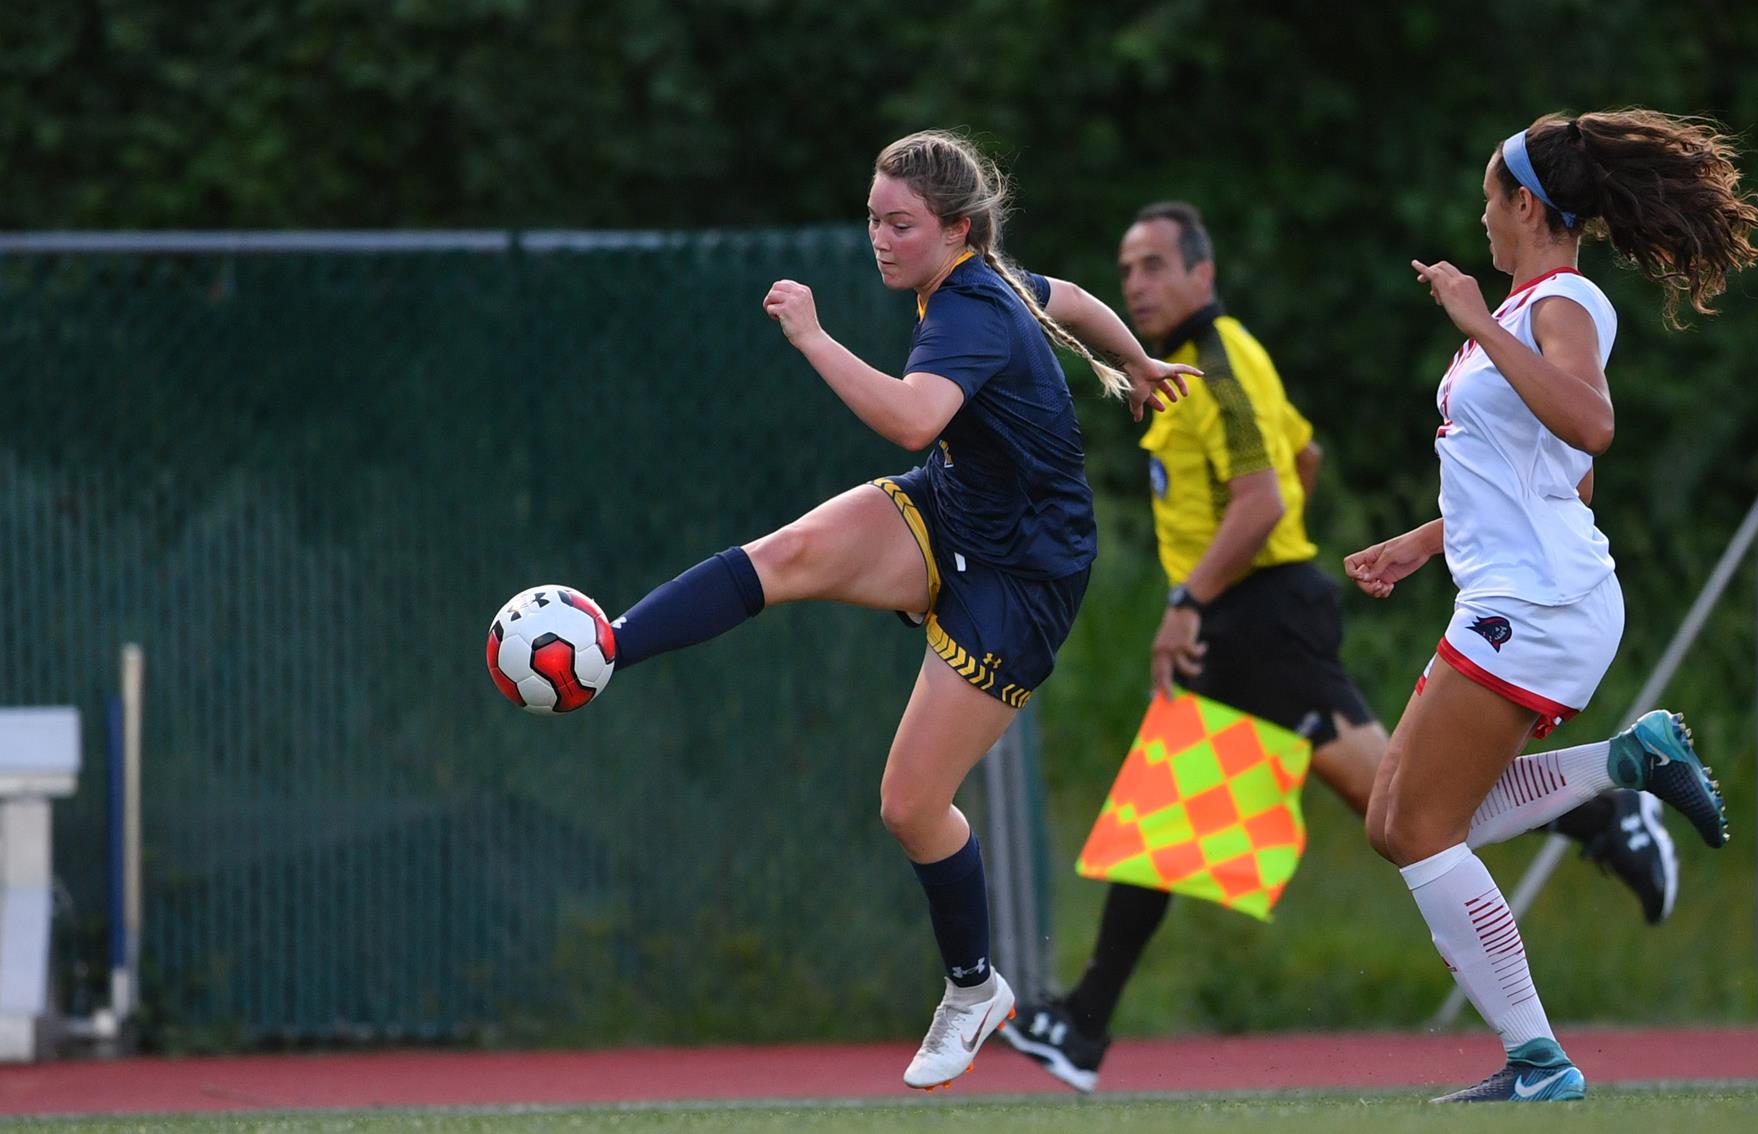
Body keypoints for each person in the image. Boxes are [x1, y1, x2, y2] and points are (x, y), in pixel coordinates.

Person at [1001, 201, 1681, 1094]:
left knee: (1402, 808)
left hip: (1262, 616)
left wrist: (1187, 601)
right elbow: (1304, 460)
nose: (1137, 283)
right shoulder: (1198, 365)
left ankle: (1610, 810)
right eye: (1127, 270)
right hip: (1254, 616)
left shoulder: (1217, 363)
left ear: (1203, 276)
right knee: (1189, 809)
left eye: (1156, 266)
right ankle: (1085, 1021)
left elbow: (1264, 502)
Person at [601, 129, 1194, 1091]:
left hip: (1025, 578)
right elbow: (1069, 298)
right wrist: (1135, 362)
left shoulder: (967, 306)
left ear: (955, 228)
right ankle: (606, 648)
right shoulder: (986, 281)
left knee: (910, 807)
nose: (881, 238)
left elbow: (918, 416)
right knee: (786, 553)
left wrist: (812, 336)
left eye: (902, 224)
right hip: (953, 506)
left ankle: (975, 988)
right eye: (874, 217)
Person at [1346, 109, 1758, 1102]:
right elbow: (1554, 481)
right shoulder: (1529, 311)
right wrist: (1421, 541)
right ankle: (1627, 761)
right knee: (1395, 818)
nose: (1480, 220)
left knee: (1414, 828)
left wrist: (1474, 318)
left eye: (1487, 199)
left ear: (1523, 202)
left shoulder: (1558, 300)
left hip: (1537, 603)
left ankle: (1536, 1060)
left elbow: (1591, 424)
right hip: (1520, 590)